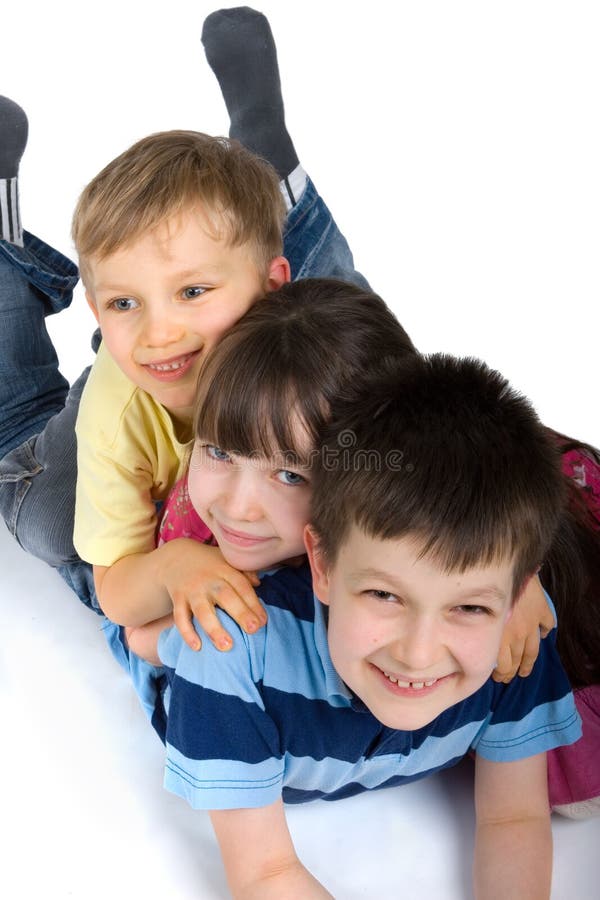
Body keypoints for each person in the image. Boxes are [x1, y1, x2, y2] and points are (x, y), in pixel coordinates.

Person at [0, 8, 554, 682]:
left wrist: (516, 580)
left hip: (274, 334)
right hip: (132, 398)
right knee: (47, 518)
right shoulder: (121, 407)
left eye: (193, 293)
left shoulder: (315, 343)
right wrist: (169, 566)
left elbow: (451, 454)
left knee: (339, 301)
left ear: (271, 286)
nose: (159, 330)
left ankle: (267, 154)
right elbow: (117, 590)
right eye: (123, 304)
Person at [144, 348, 581, 899]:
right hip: (163, 566)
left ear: (516, 598)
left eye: (468, 608)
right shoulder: (232, 648)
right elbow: (264, 872)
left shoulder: (513, 646)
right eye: (383, 595)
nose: (419, 655)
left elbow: (513, 819)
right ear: (321, 566)